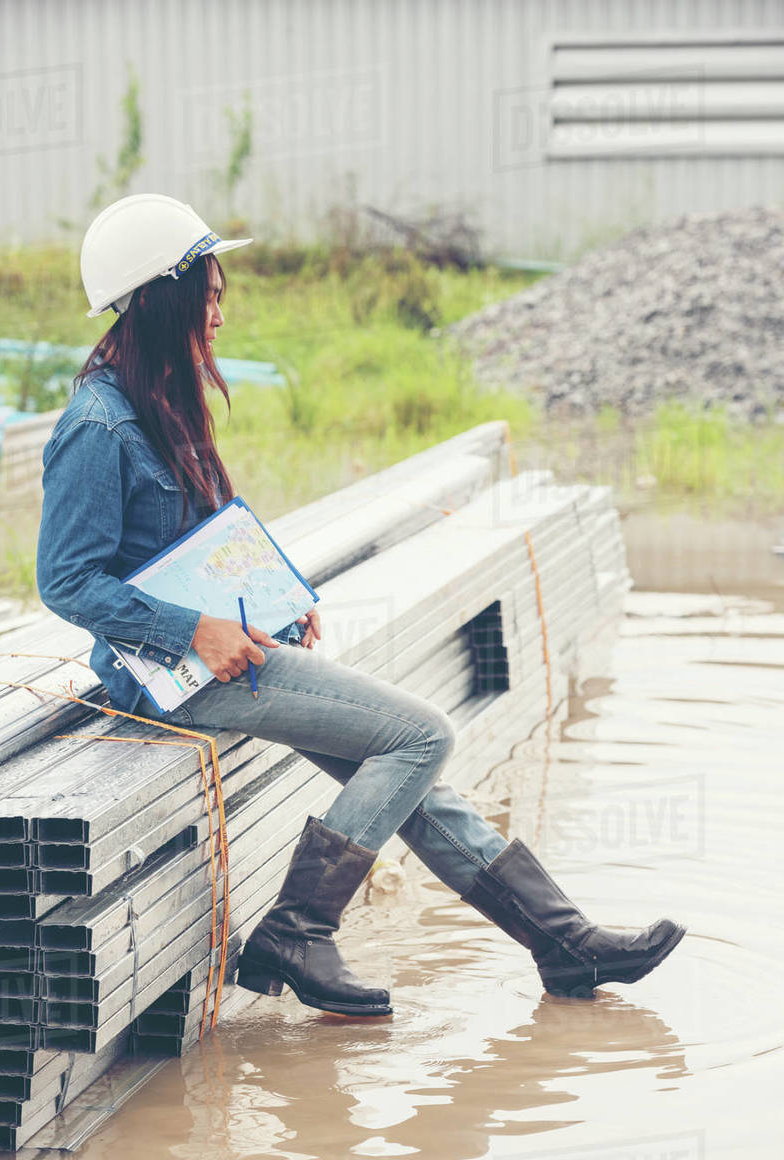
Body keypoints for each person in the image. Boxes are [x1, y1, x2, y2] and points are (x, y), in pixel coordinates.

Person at [36, 194, 685, 1018]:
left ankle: (563, 945)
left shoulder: (158, 399)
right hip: (174, 678)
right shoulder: (99, 425)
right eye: (210, 295)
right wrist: (196, 628)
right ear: (165, 296)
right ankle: (296, 931)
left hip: (222, 651)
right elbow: (66, 581)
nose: (221, 315)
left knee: (408, 777)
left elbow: (196, 542)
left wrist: (271, 600)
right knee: (421, 735)